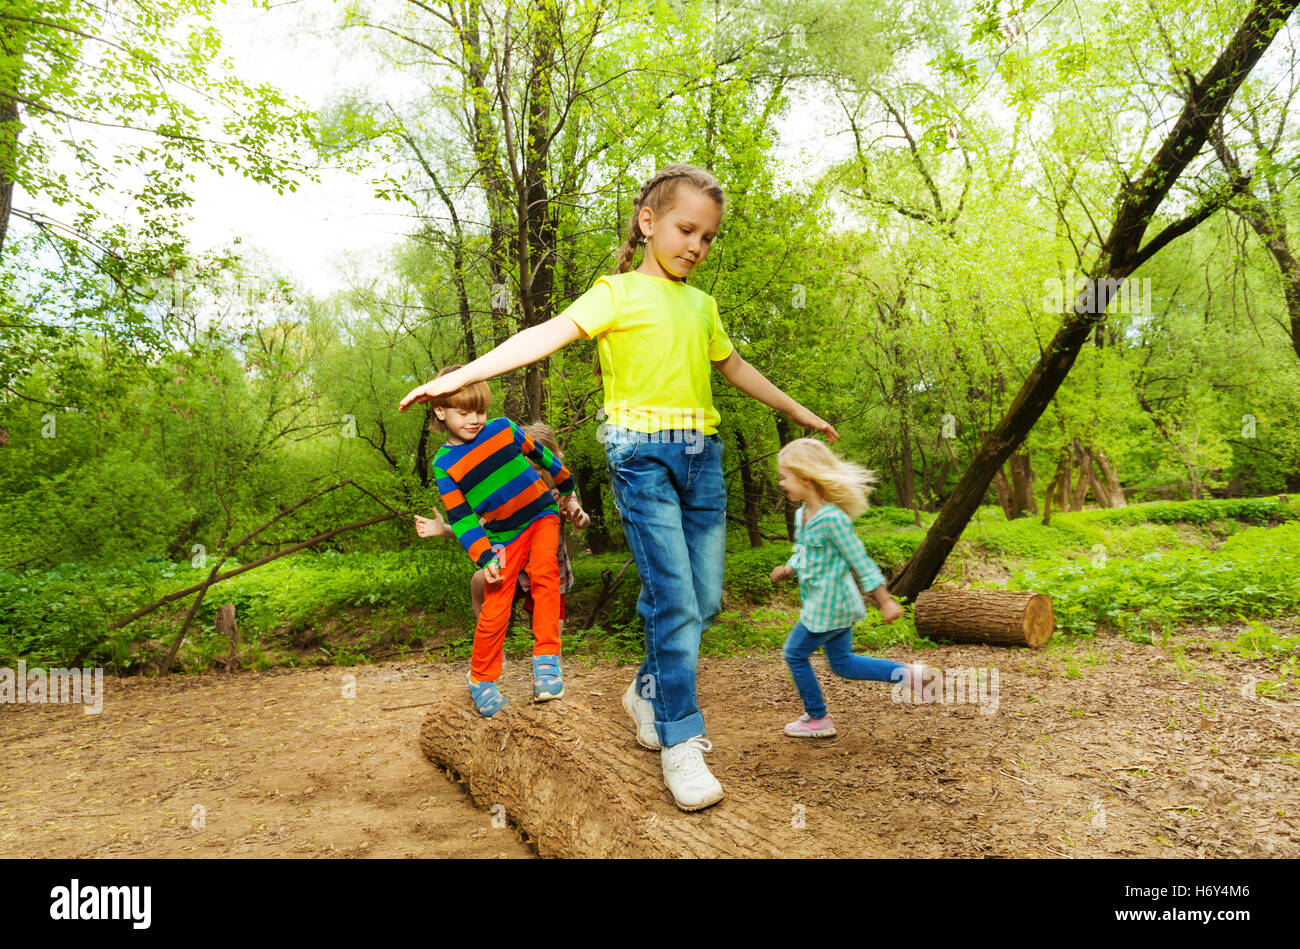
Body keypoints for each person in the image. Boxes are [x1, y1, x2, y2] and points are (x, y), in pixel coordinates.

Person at [399, 162, 837, 811]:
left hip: (702, 456)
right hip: (640, 456)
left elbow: (735, 365)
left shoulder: (703, 305)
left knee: (703, 598)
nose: (697, 244)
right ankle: (681, 740)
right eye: (687, 228)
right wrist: (459, 375)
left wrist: (796, 409)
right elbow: (544, 335)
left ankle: (647, 689)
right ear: (649, 222)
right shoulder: (617, 292)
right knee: (675, 595)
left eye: (709, 237)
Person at [420, 366, 587, 716]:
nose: (475, 419)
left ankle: (546, 658)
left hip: (542, 515)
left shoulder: (504, 430)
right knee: (495, 609)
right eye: (464, 412)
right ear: (440, 411)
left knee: (545, 574)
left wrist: (569, 493)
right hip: (501, 537)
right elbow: (462, 517)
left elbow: (545, 459)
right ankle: (481, 678)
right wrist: (484, 558)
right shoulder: (444, 463)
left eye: (480, 410)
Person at [770, 438, 921, 737]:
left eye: (784, 476)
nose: (781, 483)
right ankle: (908, 675)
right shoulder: (803, 514)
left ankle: (818, 718)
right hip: (831, 606)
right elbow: (804, 551)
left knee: (794, 654)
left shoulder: (833, 519)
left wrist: (886, 600)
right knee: (843, 664)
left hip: (828, 607)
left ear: (806, 478)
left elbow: (860, 561)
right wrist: (790, 567)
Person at [416, 421, 587, 630]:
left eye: (540, 468)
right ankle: (495, 647)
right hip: (513, 568)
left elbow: (579, 512)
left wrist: (579, 517)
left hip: (549, 573)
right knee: (479, 582)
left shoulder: (560, 492)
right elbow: (477, 532)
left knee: (548, 630)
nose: (535, 475)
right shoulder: (506, 497)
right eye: (525, 467)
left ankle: (549, 660)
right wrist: (444, 530)